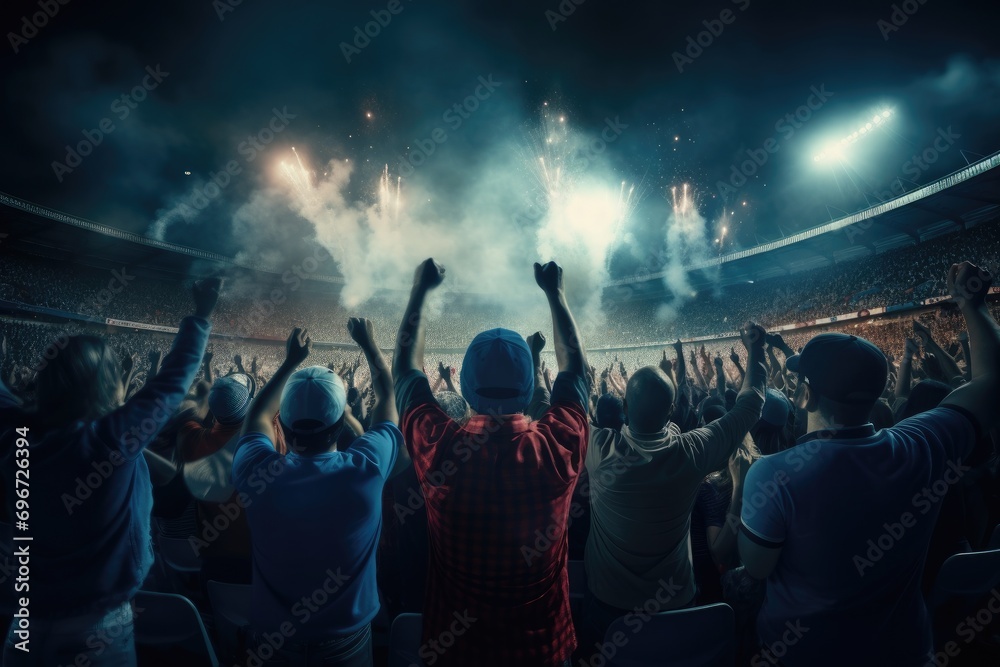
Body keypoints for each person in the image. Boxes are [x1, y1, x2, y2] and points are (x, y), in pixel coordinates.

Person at [738, 261, 999, 667]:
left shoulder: (772, 475)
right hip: (906, 652)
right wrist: (974, 305)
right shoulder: (922, 446)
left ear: (805, 396)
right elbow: (991, 383)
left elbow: (755, 568)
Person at [0, 277, 222, 666]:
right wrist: (202, 314)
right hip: (97, 625)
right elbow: (173, 381)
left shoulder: (13, 434)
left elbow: (170, 382)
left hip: (25, 622)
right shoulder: (113, 439)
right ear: (104, 386)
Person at [392, 259, 589, 667]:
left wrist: (421, 290)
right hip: (542, 652)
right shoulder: (557, 447)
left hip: (457, 650)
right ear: (530, 384)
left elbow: (406, 371)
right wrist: (556, 294)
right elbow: (575, 372)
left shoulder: (438, 449)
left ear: (464, 386)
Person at [577, 322, 767, 658]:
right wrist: (755, 349)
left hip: (608, 605)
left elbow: (564, 400)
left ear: (625, 407)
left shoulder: (600, 448)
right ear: (670, 411)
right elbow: (750, 405)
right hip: (676, 603)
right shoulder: (692, 451)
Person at [233, 318, 403, 666]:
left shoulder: (254, 472)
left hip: (272, 641)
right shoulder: (366, 469)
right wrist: (369, 343)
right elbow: (388, 395)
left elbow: (256, 417)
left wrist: (291, 361)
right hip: (346, 642)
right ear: (341, 424)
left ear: (282, 422)